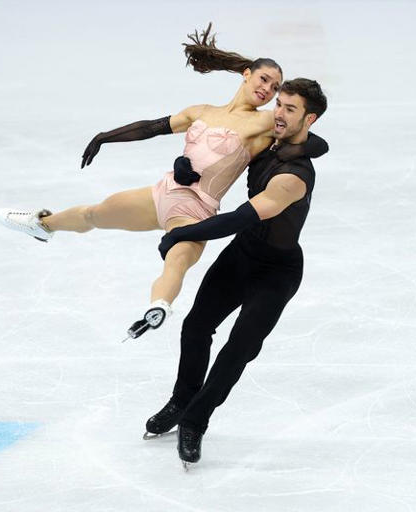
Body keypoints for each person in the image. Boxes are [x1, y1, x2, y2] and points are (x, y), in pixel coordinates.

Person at [0, 25, 282, 339]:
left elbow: (305, 136)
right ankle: (42, 224)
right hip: (162, 194)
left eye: (275, 87)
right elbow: (151, 128)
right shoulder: (201, 111)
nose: (268, 89)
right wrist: (105, 137)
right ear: (247, 74)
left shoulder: (266, 121)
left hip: (196, 213)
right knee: (94, 213)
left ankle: (159, 306)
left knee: (177, 260)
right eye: (264, 79)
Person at [144, 78, 328, 467]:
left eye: (290, 109)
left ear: (309, 118)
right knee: (196, 326)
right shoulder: (270, 142)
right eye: (279, 104)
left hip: (277, 271)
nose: (279, 113)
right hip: (242, 255)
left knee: (239, 348)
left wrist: (181, 234)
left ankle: (195, 420)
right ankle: (181, 400)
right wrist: (186, 167)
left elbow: (241, 217)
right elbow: (220, 149)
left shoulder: (294, 177)